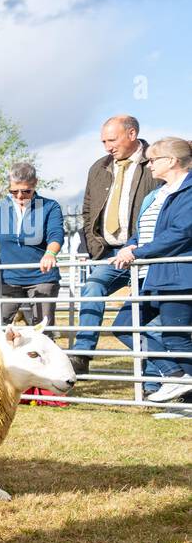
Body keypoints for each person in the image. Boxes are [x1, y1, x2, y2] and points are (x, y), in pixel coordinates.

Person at [73, 115, 162, 374]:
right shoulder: (99, 167)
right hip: (110, 252)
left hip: (145, 251)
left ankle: (156, 375)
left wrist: (146, 245)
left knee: (144, 313)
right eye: (103, 141)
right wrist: (93, 245)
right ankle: (82, 354)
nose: (107, 147)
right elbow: (88, 210)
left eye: (112, 140)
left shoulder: (154, 163)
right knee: (92, 287)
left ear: (132, 134)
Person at [111, 137, 192, 403]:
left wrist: (137, 252)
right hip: (152, 275)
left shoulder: (188, 192)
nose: (148, 166)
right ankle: (174, 375)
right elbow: (143, 231)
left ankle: (186, 398)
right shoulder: (158, 194)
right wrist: (131, 245)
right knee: (124, 326)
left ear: (171, 161)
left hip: (178, 275)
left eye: (153, 160)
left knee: (177, 338)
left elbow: (180, 234)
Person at [0, 162, 64, 330]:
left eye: (26, 191)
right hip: (8, 278)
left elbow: (55, 234)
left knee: (42, 331)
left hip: (42, 278)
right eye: (14, 191)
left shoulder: (49, 206)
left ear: (35, 183)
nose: (20, 196)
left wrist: (50, 253)